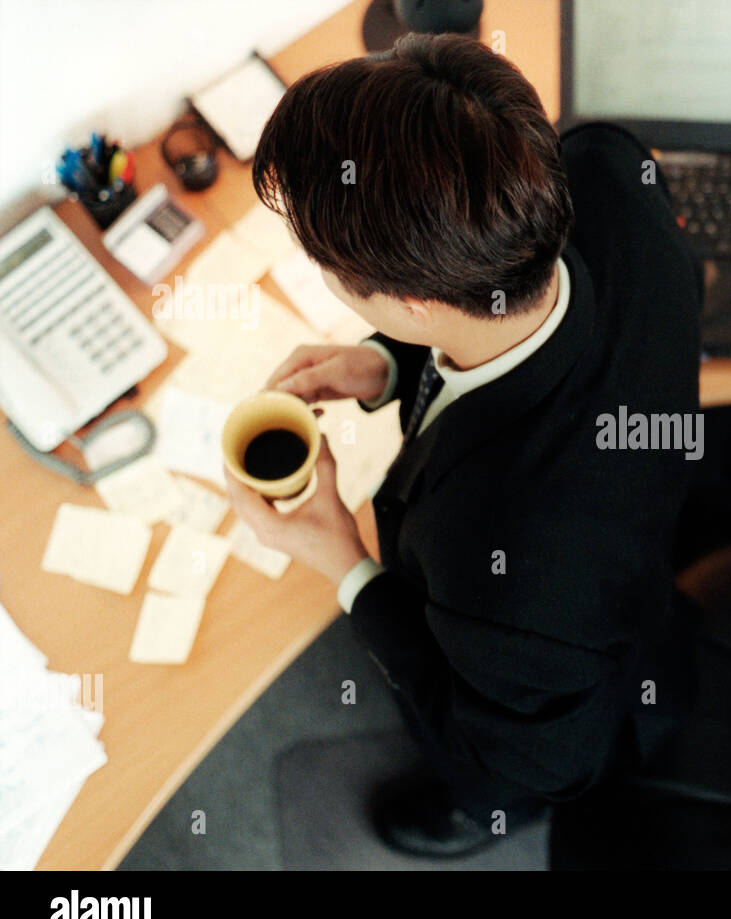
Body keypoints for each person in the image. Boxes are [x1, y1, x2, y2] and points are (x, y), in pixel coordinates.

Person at [223, 33, 703, 857]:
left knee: (495, 766)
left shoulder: (515, 571)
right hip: (629, 547)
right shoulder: (608, 167)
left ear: (413, 301)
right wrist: (384, 364)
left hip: (548, 706)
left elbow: (537, 755)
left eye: (331, 273)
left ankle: (484, 819)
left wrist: (348, 566)